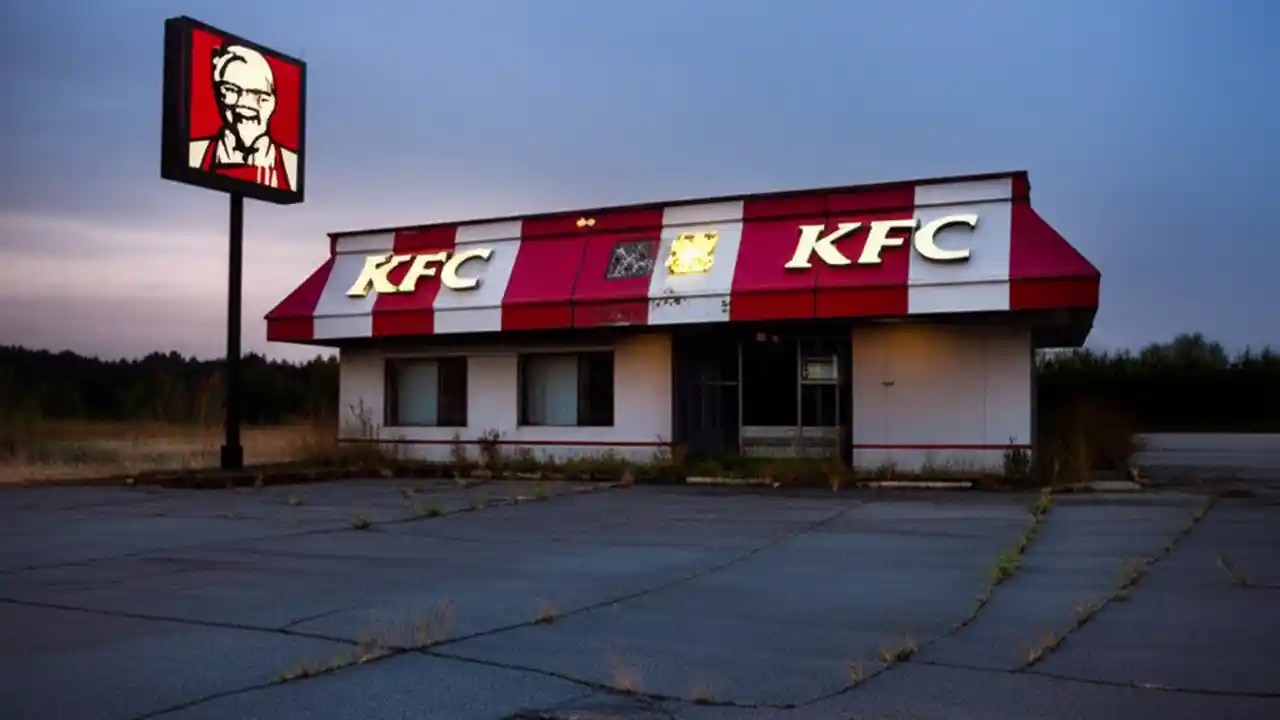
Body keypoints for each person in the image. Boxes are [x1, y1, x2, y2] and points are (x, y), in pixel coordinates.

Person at [188, 44, 297, 190]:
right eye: (232, 90)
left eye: (259, 96)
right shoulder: (194, 154)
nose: (245, 104)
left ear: (272, 102)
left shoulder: (291, 166)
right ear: (219, 95)